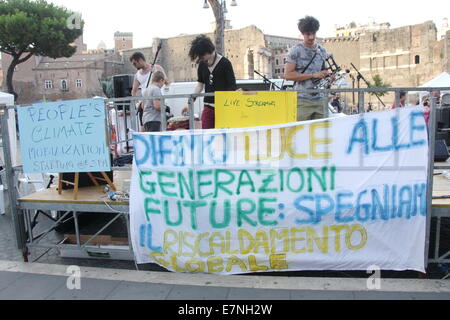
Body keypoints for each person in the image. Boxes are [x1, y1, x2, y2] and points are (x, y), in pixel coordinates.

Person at [183, 35, 237, 129]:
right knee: (206, 136)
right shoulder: (202, 65)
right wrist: (190, 102)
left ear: (209, 50)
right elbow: (200, 85)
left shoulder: (225, 63)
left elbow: (232, 86)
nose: (201, 58)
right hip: (208, 107)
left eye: (202, 55)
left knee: (222, 137)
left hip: (223, 109)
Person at [284, 16, 332, 121]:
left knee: (322, 134)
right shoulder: (295, 51)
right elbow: (288, 75)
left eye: (313, 33)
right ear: (302, 34)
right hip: (302, 100)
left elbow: (325, 71)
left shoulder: (322, 50)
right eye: (308, 34)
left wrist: (329, 76)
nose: (311, 37)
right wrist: (313, 75)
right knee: (302, 134)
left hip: (320, 99)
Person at [130, 52, 169, 129]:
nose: (134, 66)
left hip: (157, 100)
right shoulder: (137, 75)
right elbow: (134, 91)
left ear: (140, 60)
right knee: (144, 127)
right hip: (146, 103)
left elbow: (166, 82)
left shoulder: (157, 68)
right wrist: (137, 104)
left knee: (160, 126)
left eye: (135, 63)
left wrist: (155, 72)